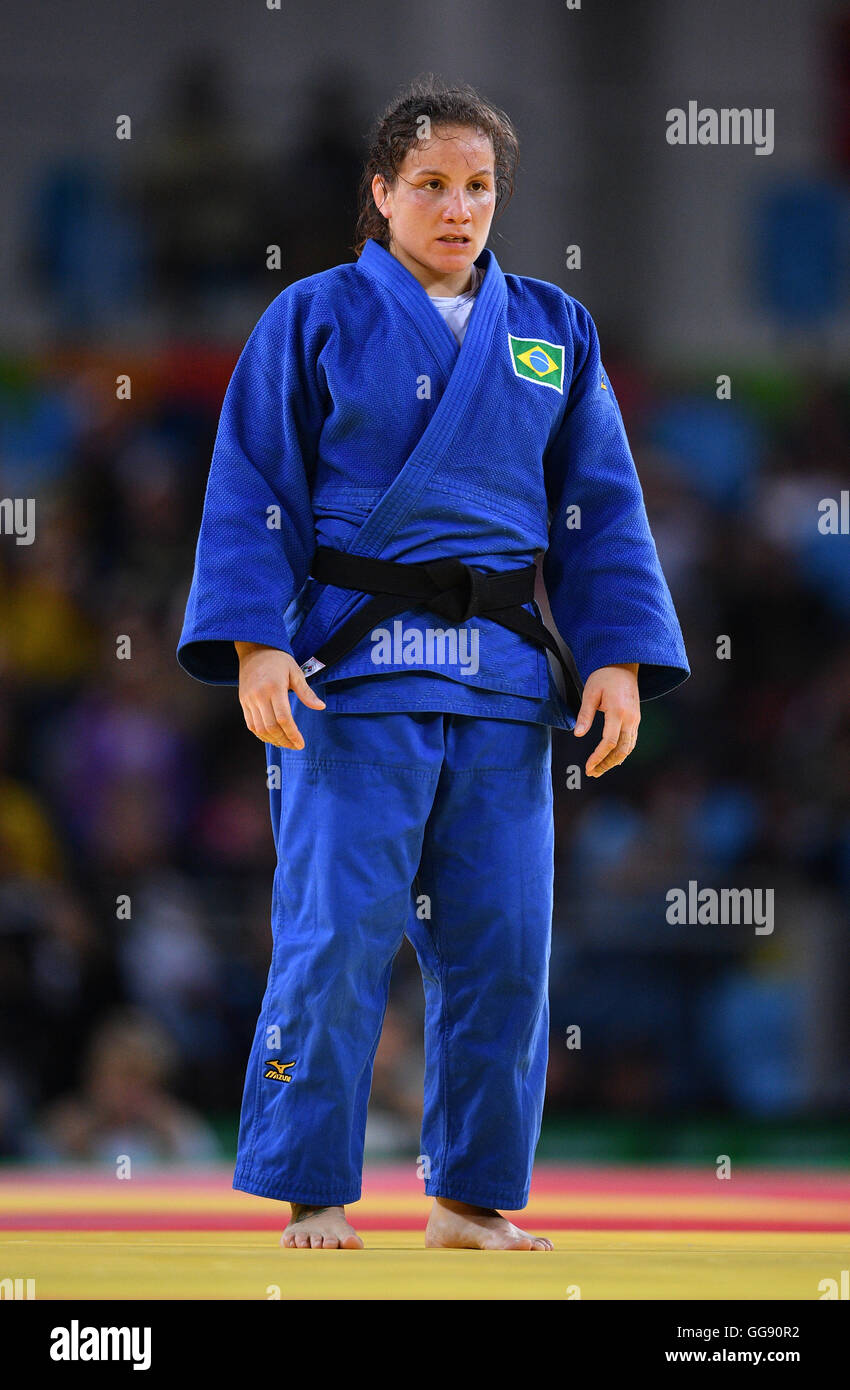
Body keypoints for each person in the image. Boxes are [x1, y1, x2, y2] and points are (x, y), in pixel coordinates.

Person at [177, 78, 689, 1251]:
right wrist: (258, 642)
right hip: (349, 682)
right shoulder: (311, 320)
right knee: (337, 937)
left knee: (505, 947)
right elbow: (251, 485)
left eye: (478, 188)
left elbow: (600, 508)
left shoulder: (553, 329)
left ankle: (467, 1195)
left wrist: (613, 658)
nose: (457, 210)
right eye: (431, 186)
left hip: (505, 682)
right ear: (380, 193)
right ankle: (314, 1186)